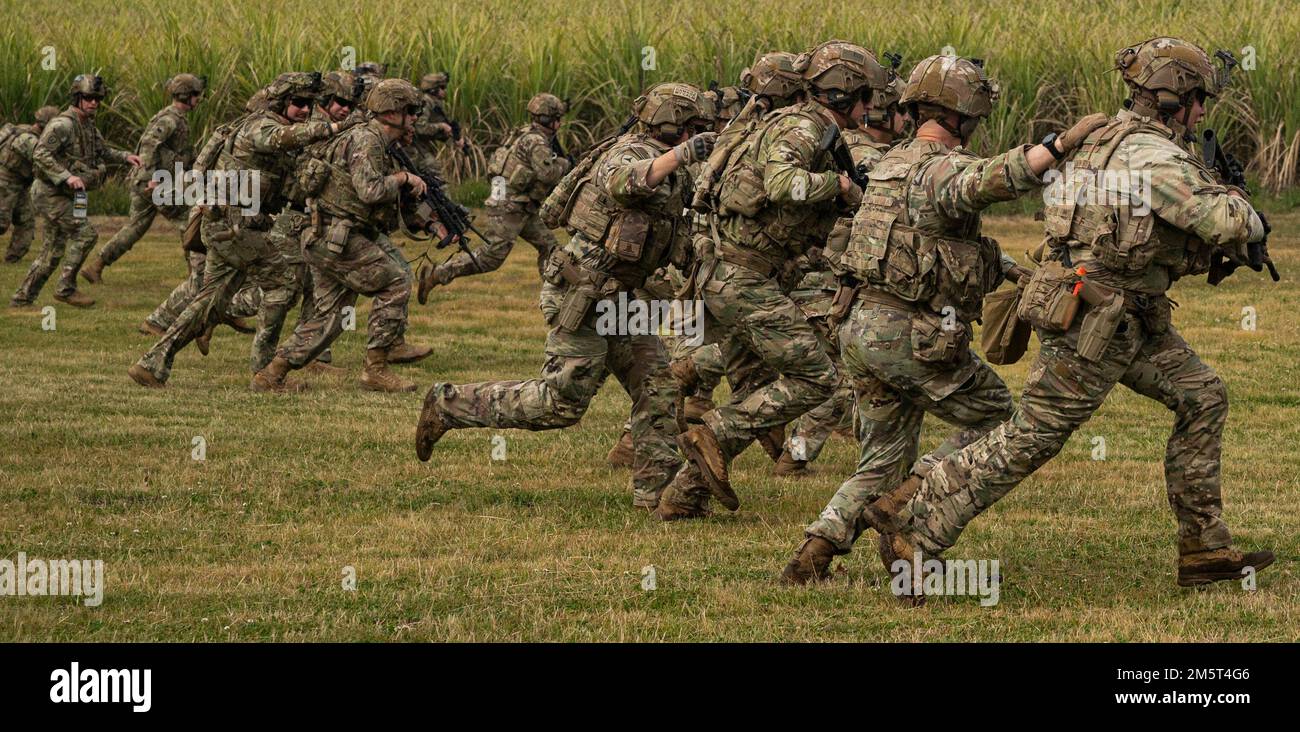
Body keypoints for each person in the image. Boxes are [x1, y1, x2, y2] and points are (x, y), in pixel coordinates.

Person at [867, 38, 1275, 598]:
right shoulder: (1150, 156)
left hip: (1131, 314)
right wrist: (1244, 207)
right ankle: (916, 519)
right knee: (1033, 435)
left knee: (1202, 396)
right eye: (1198, 99)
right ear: (1172, 96)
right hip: (1099, 321)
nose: (1203, 112)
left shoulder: (1106, 140)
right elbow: (1226, 223)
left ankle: (1204, 547)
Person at [415, 83, 717, 512]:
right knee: (560, 404)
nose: (698, 135)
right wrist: (681, 156)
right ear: (674, 124)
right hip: (583, 294)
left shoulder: (675, 165)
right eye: (695, 127)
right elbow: (624, 184)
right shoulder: (629, 152)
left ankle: (658, 495)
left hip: (623, 300)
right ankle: (449, 403)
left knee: (658, 387)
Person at [660, 41, 882, 518]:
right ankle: (716, 430)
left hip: (737, 273)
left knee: (750, 373)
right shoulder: (803, 127)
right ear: (842, 95)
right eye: (865, 96)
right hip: (742, 277)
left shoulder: (807, 128)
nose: (871, 107)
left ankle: (682, 498)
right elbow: (785, 184)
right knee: (817, 377)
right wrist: (839, 186)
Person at [128, 72, 344, 388]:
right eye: (298, 103)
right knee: (286, 283)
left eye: (309, 104)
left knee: (208, 301)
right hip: (234, 227)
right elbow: (279, 139)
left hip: (228, 226)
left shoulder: (272, 127)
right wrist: (331, 128)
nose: (303, 109)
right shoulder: (262, 127)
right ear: (282, 102)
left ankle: (152, 364)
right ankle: (265, 372)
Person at [251, 79, 444, 393]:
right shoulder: (366, 140)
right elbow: (370, 191)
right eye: (409, 111)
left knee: (333, 317)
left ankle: (272, 374)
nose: (413, 118)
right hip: (336, 238)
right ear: (391, 112)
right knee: (395, 282)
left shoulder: (374, 140)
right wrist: (403, 177)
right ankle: (376, 370)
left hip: (327, 237)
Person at [417, 92, 570, 298]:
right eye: (558, 119)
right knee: (490, 258)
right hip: (511, 207)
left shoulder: (523, 133)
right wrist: (565, 163)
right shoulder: (537, 142)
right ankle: (438, 273)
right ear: (550, 120)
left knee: (550, 247)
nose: (560, 124)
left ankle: (554, 294)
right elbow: (548, 174)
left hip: (518, 205)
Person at [11, 75, 141, 309]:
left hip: (71, 195)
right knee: (86, 234)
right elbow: (41, 154)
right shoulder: (63, 125)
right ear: (77, 98)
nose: (94, 103)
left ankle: (22, 298)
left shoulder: (88, 125)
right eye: (89, 98)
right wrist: (66, 176)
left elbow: (101, 150)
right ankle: (65, 289)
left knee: (52, 251)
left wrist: (126, 157)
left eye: (97, 99)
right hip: (50, 194)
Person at [81, 73, 205, 284]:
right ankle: (198, 277)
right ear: (186, 95)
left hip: (152, 182)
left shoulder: (177, 118)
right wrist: (154, 178)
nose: (199, 98)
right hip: (155, 183)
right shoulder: (169, 119)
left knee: (134, 228)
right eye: (196, 94)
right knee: (190, 221)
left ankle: (96, 266)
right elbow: (149, 144)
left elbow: (182, 152)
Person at [0, 106, 59, 264]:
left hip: (20, 185)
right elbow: (43, 161)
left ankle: (12, 259)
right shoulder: (28, 139)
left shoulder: (24, 131)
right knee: (1, 222)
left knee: (26, 221)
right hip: (5, 182)